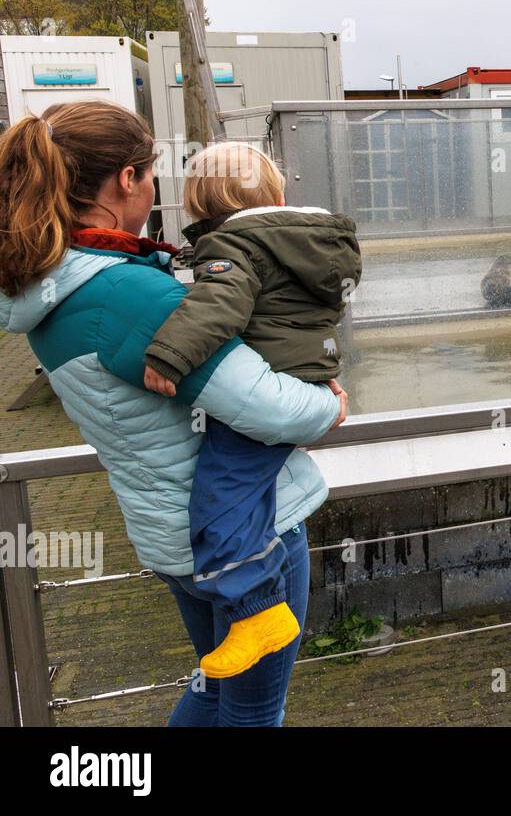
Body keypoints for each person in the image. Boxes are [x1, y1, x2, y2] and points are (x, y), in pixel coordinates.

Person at [0, 102, 346, 726]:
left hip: (171, 536)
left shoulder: (51, 284)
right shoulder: (124, 292)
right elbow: (273, 410)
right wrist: (330, 402)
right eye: (152, 174)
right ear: (127, 179)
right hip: (246, 538)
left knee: (213, 689)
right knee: (254, 712)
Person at [140, 143, 362, 680]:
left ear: (201, 206)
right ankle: (253, 608)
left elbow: (220, 303)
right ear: (276, 196)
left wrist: (169, 355)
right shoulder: (305, 239)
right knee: (245, 489)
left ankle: (255, 610)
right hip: (305, 369)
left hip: (273, 376)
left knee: (221, 494)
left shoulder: (234, 245)